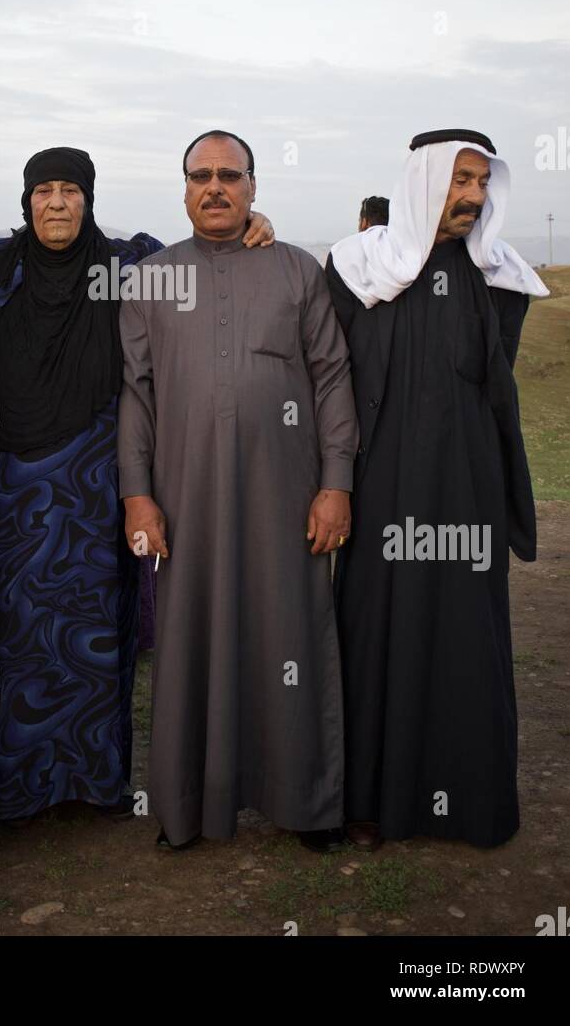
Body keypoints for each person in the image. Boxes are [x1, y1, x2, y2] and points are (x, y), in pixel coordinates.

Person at [0, 146, 276, 824]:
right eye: (43, 190)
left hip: (92, 489)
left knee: (93, 635)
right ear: (25, 200)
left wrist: (254, 231)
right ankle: (17, 790)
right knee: (13, 637)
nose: (56, 203)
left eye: (70, 191)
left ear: (89, 198)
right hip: (8, 493)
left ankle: (93, 782)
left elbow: (200, 266)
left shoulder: (125, 266)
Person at [118, 129, 358, 851]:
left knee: (292, 634)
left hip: (286, 496)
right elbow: (136, 394)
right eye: (200, 176)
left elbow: (332, 376)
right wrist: (137, 493)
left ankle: (306, 803)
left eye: (230, 175)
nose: (214, 188)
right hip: (185, 501)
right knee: (190, 643)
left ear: (254, 187)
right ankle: (186, 807)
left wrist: (336, 484)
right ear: (183, 188)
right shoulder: (150, 279)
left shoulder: (295, 271)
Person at [326, 128, 549, 849]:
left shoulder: (499, 277)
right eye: (460, 181)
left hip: (466, 491)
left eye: (483, 183)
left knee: (464, 636)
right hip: (380, 485)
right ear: (425, 182)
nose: (473, 197)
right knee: (372, 631)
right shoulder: (359, 269)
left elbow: (494, 393)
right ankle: (365, 802)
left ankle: (473, 801)